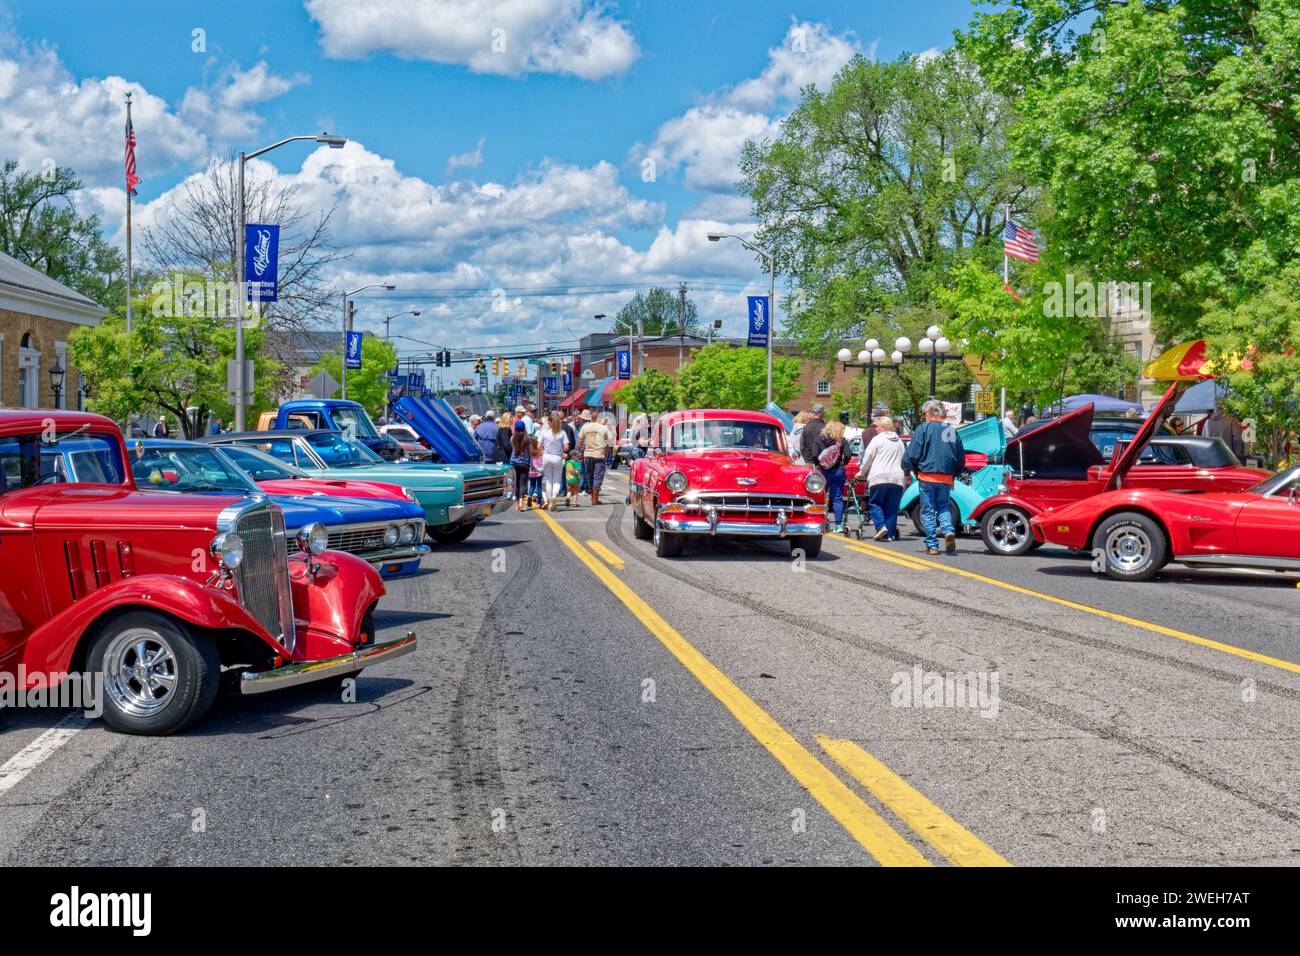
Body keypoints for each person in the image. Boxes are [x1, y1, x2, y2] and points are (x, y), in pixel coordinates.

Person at [903, 400, 966, 555]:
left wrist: (907, 470)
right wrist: (954, 475)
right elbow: (959, 456)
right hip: (945, 477)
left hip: (926, 476)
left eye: (925, 413)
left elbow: (912, 454)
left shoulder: (923, 429)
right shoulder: (950, 430)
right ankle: (948, 530)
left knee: (928, 510)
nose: (924, 416)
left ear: (930, 413)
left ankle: (932, 545)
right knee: (943, 507)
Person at [858, 415, 906, 541]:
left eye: (877, 426)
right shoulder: (899, 441)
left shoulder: (877, 440)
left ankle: (880, 527)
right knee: (892, 507)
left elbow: (868, 457)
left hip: (879, 477)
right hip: (897, 478)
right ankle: (889, 535)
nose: (875, 429)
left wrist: (862, 472)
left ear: (884, 427)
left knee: (875, 503)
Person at [814, 419, 849, 534]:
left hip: (822, 472)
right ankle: (838, 525)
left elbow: (814, 454)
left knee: (820, 498)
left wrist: (819, 464)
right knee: (837, 498)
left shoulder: (819, 439)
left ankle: (820, 523)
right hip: (838, 471)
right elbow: (848, 454)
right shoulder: (842, 441)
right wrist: (843, 463)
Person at [577, 409, 612, 505]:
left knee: (590, 476)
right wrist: (606, 453)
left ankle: (593, 497)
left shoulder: (585, 427)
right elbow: (608, 443)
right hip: (599, 455)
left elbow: (580, 441)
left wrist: (578, 452)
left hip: (588, 454)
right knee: (598, 477)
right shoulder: (603, 428)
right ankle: (594, 499)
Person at [537, 412, 570, 510]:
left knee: (548, 480)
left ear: (549, 422)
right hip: (557, 457)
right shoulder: (562, 433)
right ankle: (554, 496)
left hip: (546, 457)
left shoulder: (544, 432)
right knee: (557, 480)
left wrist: (543, 452)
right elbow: (566, 447)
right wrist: (560, 450)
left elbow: (539, 446)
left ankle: (550, 501)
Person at [509, 422, 532, 511]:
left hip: (514, 462)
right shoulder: (527, 438)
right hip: (524, 463)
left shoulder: (512, 438)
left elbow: (512, 448)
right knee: (523, 484)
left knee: (516, 484)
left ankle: (517, 504)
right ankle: (521, 503)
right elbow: (531, 451)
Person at [527, 437, 545, 508]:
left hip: (531, 470)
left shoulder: (529, 450)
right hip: (539, 470)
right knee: (539, 486)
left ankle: (529, 496)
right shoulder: (540, 449)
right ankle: (539, 502)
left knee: (532, 486)